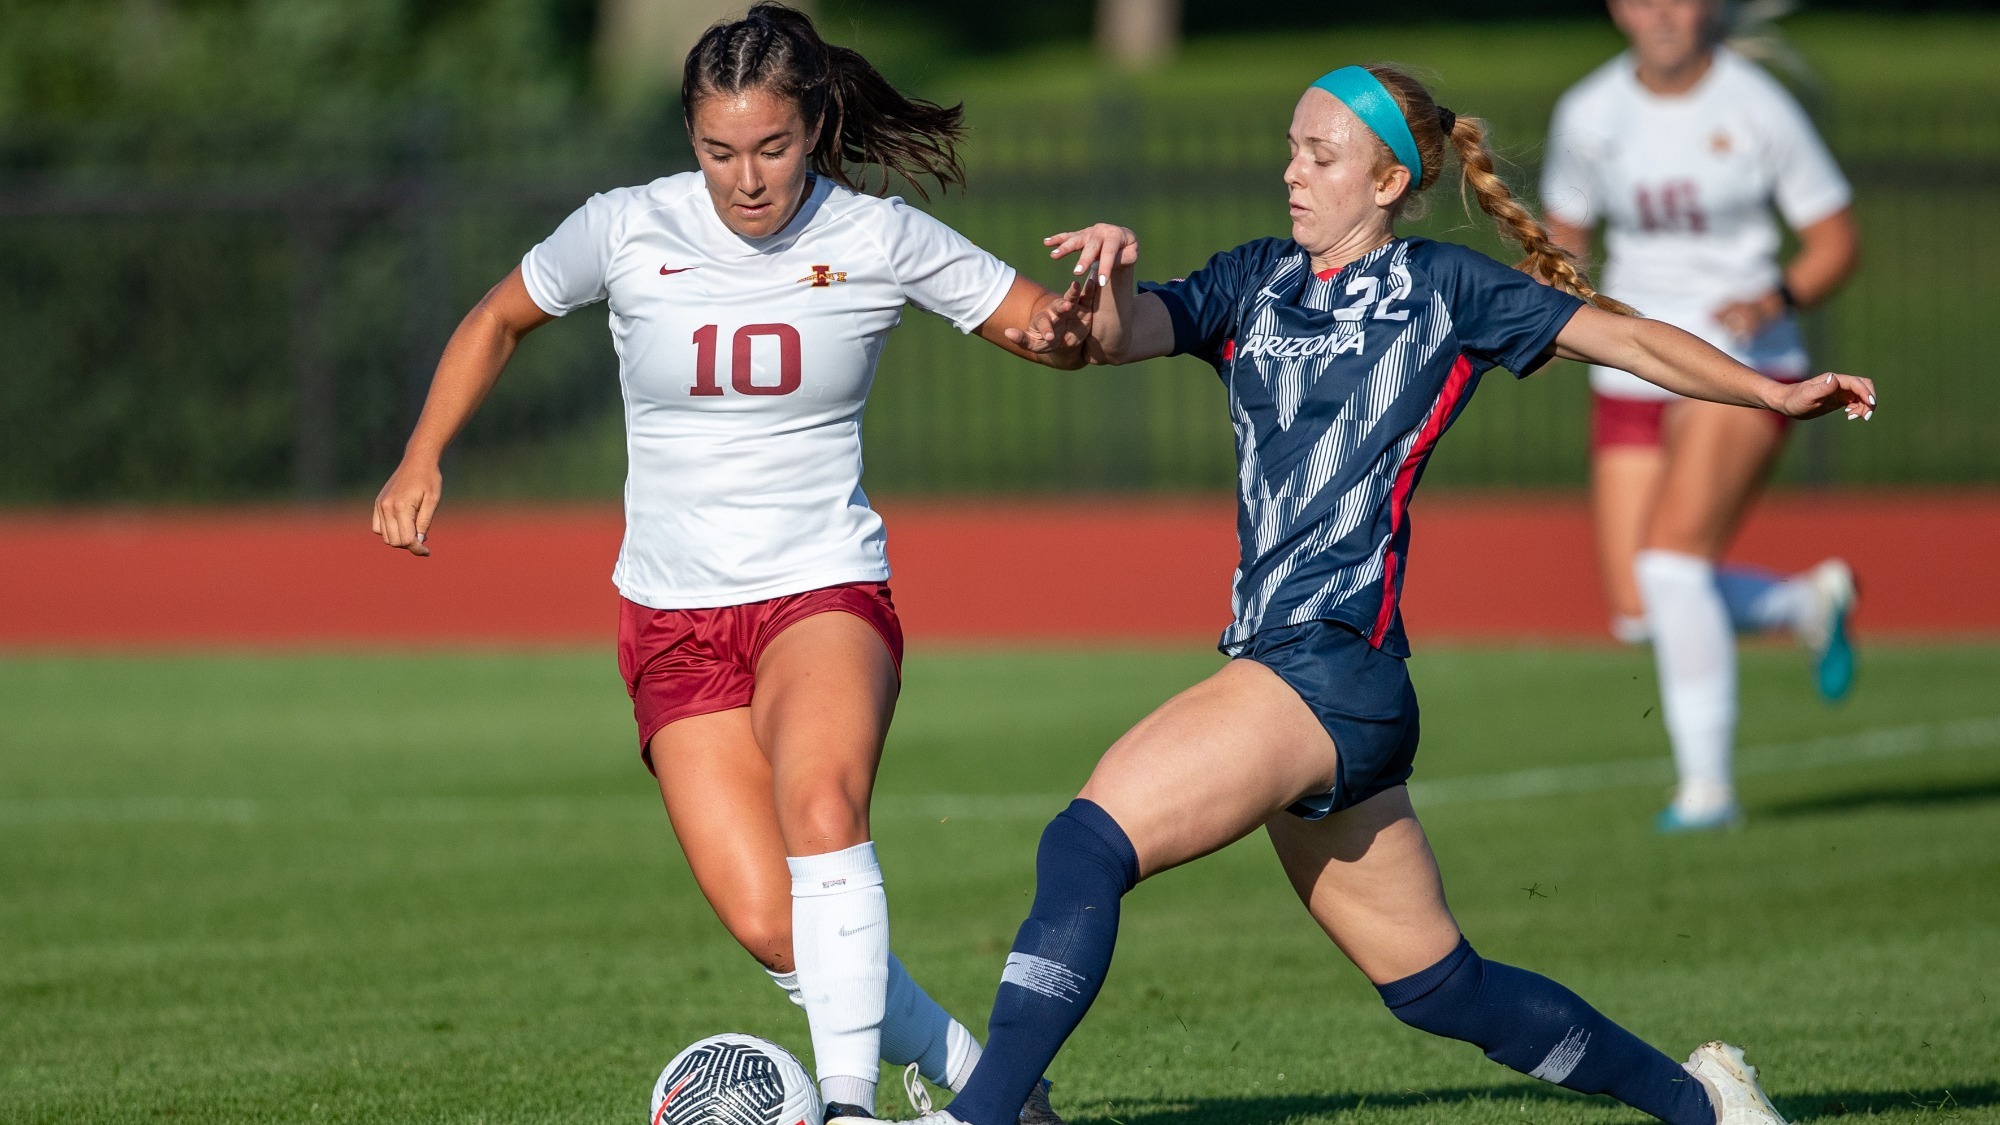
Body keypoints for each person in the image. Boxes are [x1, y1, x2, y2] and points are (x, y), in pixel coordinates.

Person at [885, 64, 1873, 1125]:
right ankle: (1706, 1107)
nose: (1292, 172)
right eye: (1291, 148)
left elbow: (1622, 339)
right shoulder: (1254, 277)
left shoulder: (1445, 289)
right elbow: (1121, 337)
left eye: (1321, 154)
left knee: (1084, 844)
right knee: (1441, 988)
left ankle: (980, 1115)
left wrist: (1767, 388)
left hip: (1323, 662)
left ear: (1389, 179)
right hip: (1321, 683)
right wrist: (1113, 275)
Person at [370, 6, 1083, 1121]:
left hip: (820, 591)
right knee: (768, 925)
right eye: (717, 151)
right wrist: (421, 456)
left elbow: (1047, 332)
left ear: (814, 127)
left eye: (771, 148)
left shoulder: (877, 237)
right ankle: (989, 1082)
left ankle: (845, 1108)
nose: (745, 179)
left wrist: (1090, 305)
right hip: (669, 619)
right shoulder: (622, 226)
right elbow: (497, 318)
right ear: (689, 138)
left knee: (822, 805)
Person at [1541, 0, 1863, 831]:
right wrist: (1544, 298)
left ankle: (1707, 793)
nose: (1662, 13)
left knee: (1672, 564)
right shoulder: (1589, 111)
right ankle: (1803, 605)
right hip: (1632, 368)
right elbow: (1563, 245)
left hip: (1743, 365)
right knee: (1637, 607)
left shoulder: (1754, 104)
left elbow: (1835, 240)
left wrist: (1777, 295)